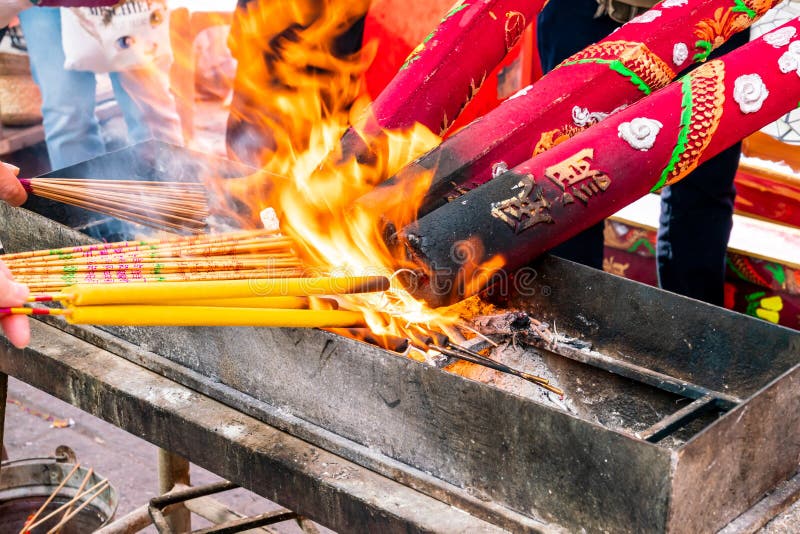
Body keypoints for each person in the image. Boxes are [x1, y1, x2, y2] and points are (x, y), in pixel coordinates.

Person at [537, 0, 749, 306]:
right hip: (589, 10)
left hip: (715, 12)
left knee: (704, 183)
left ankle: (692, 330)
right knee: (568, 177)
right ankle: (569, 321)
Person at [17, 2, 183, 170]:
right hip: (43, 8)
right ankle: (84, 194)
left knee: (150, 111)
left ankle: (173, 186)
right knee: (67, 117)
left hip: (128, 7)